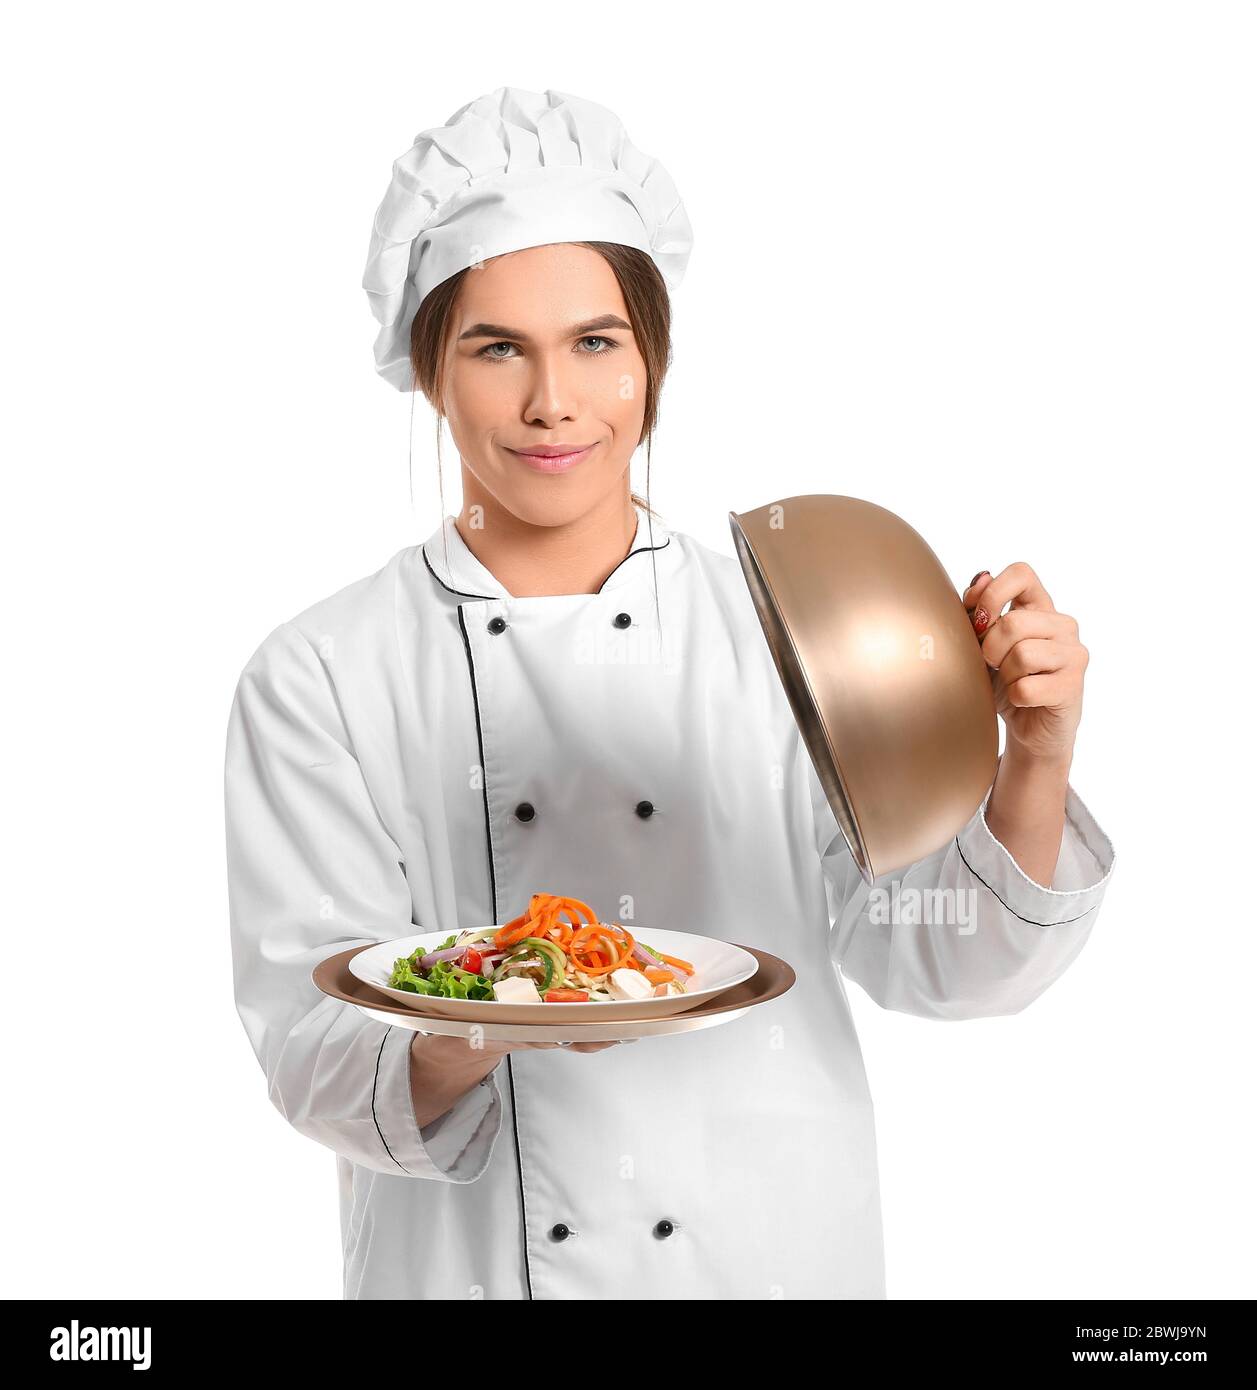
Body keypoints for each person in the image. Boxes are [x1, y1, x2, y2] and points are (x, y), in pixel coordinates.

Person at [224, 87, 1116, 1300]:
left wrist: (1035, 757)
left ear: (653, 360)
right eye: (498, 348)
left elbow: (945, 961)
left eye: (597, 342)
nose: (554, 403)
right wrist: (490, 1017)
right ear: (430, 369)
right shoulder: (323, 671)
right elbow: (313, 1049)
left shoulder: (785, 628)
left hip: (770, 1257)